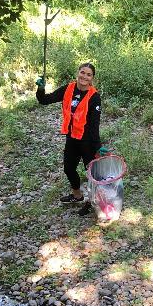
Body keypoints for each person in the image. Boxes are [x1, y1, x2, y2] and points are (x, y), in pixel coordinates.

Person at [35, 62, 101, 215]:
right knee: (69, 169)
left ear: (92, 78)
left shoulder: (94, 97)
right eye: (82, 72)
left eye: (89, 74)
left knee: (92, 174)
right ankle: (77, 196)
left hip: (87, 141)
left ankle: (91, 202)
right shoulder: (68, 88)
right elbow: (44, 100)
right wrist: (41, 88)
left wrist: (98, 147)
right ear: (78, 72)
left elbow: (94, 125)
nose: (84, 76)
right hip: (72, 138)